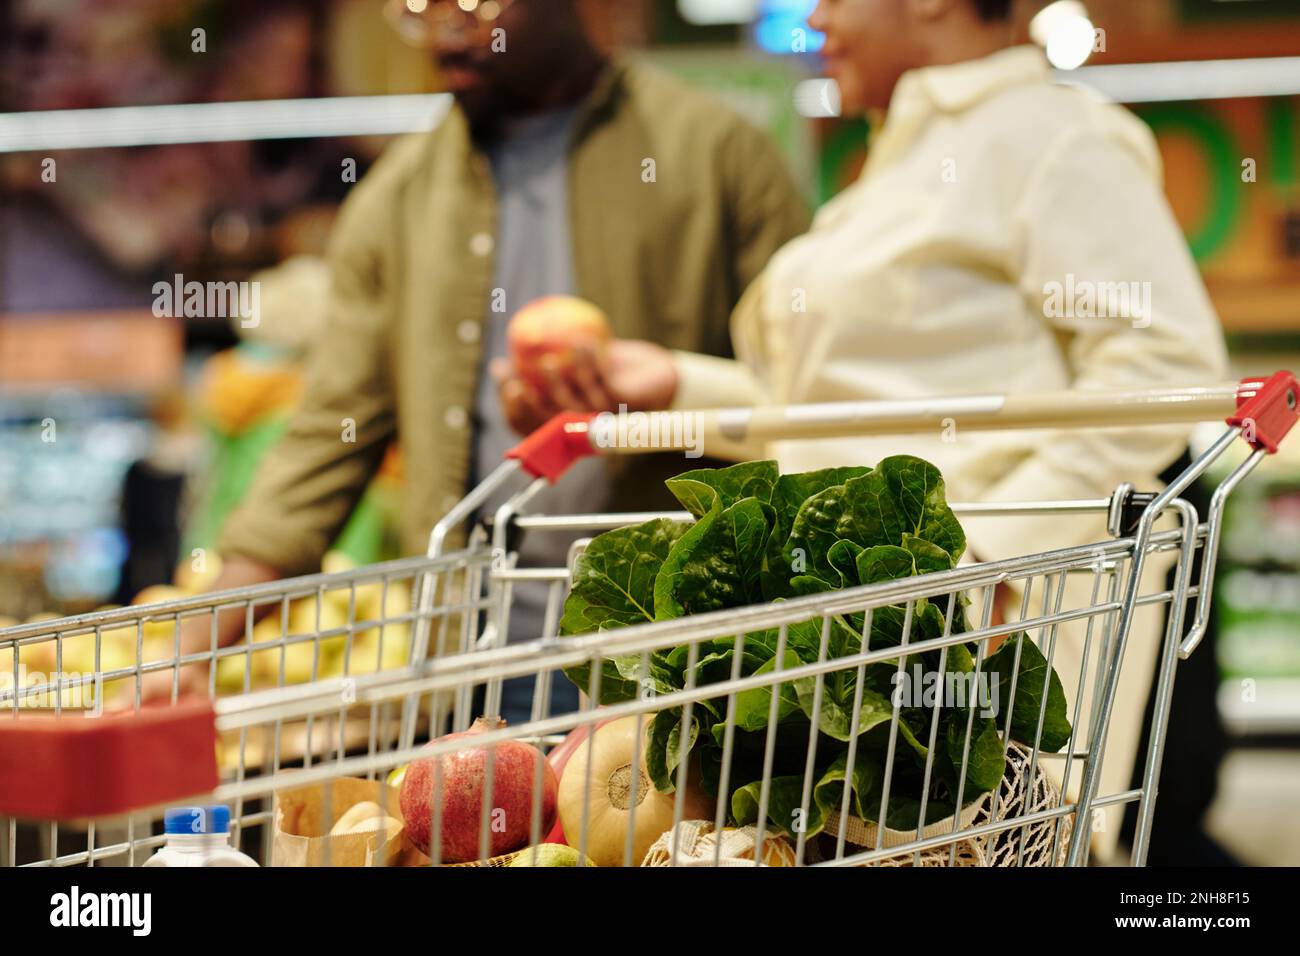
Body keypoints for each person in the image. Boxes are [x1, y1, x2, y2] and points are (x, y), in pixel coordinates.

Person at [499, 0, 1230, 863]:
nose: (814, 15)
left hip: (973, 692)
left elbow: (1163, 372)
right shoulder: (903, 153)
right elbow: (848, 424)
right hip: (854, 674)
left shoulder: (1055, 137)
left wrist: (980, 555)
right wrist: (675, 383)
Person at [158, 0, 810, 721]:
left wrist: (670, 397)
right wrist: (194, 645)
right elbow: (325, 439)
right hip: (474, 661)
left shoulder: (719, 158)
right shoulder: (395, 204)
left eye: (475, 1)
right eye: (416, 9)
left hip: (680, 660)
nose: (446, 27)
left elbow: (805, 393)